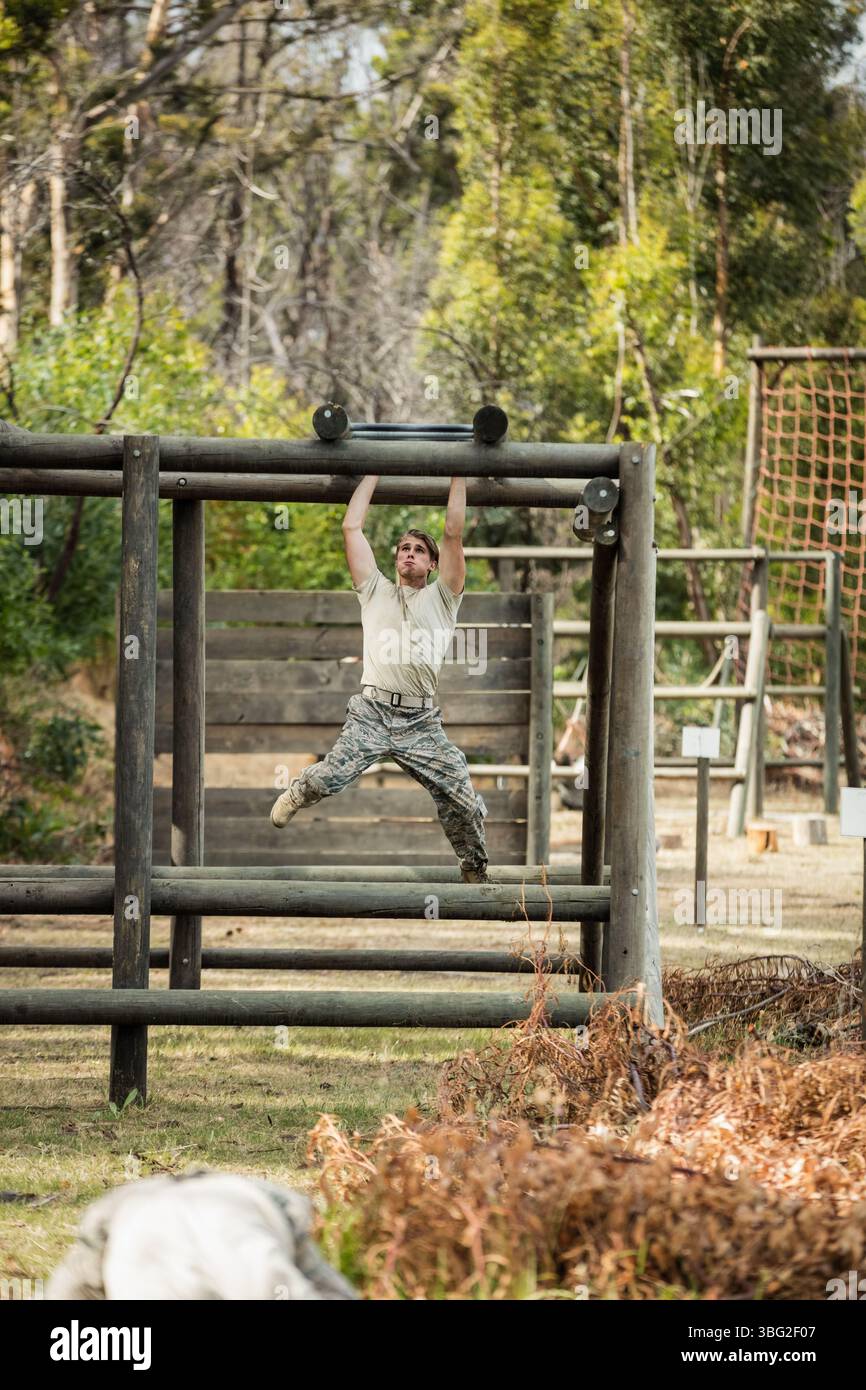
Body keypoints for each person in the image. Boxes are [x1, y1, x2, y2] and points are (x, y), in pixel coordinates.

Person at [270, 473, 489, 883]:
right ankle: (299, 790)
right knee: (333, 775)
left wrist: (460, 472)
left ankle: (474, 866)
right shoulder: (374, 590)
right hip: (372, 712)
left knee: (460, 792)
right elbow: (351, 527)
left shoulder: (444, 597)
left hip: (420, 722)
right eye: (404, 548)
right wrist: (373, 469)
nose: (409, 554)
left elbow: (453, 532)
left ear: (432, 563)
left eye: (419, 550)